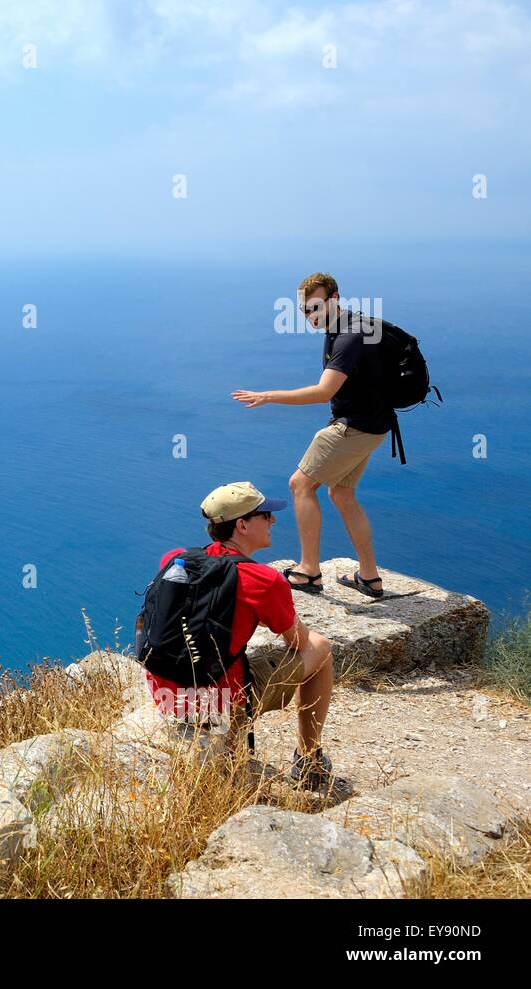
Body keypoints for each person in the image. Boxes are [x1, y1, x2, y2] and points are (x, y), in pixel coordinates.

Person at [142, 482, 336, 790]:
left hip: (166, 693)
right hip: (221, 701)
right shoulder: (264, 580)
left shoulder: (176, 557)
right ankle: (309, 760)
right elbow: (299, 642)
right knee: (321, 647)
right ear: (242, 525)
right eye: (265, 515)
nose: (273, 520)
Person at [231, 272, 394, 598]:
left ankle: (308, 571)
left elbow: (324, 391)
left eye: (315, 307)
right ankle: (370, 577)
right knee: (342, 494)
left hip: (352, 428)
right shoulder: (354, 324)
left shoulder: (347, 337)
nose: (310, 316)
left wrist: (268, 396)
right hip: (375, 427)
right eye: (305, 310)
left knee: (300, 484)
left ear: (334, 299)